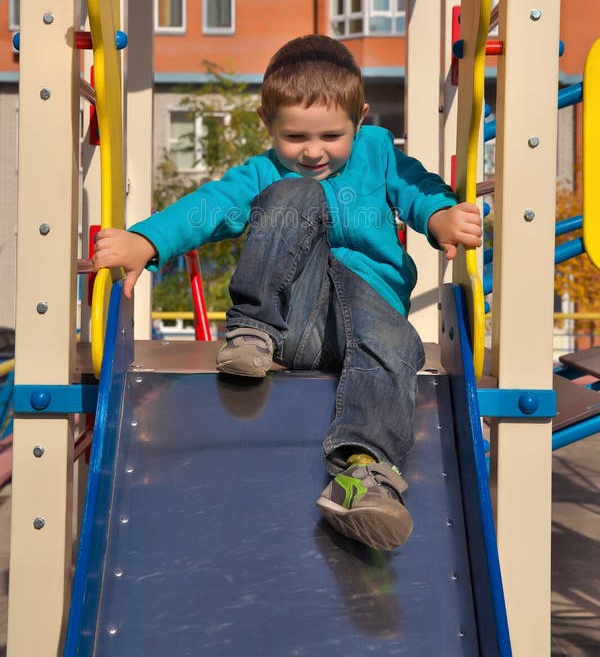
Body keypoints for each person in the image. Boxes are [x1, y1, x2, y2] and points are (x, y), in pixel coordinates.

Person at [93, 34, 482, 551]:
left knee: (399, 344)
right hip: (290, 321)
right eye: (295, 136)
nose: (314, 150)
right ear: (266, 122)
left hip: (368, 323)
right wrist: (147, 239)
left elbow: (416, 189)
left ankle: (363, 475)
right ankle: (252, 331)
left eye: (331, 136)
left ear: (360, 119)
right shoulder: (268, 171)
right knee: (293, 194)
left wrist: (440, 216)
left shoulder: (379, 154)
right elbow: (210, 206)